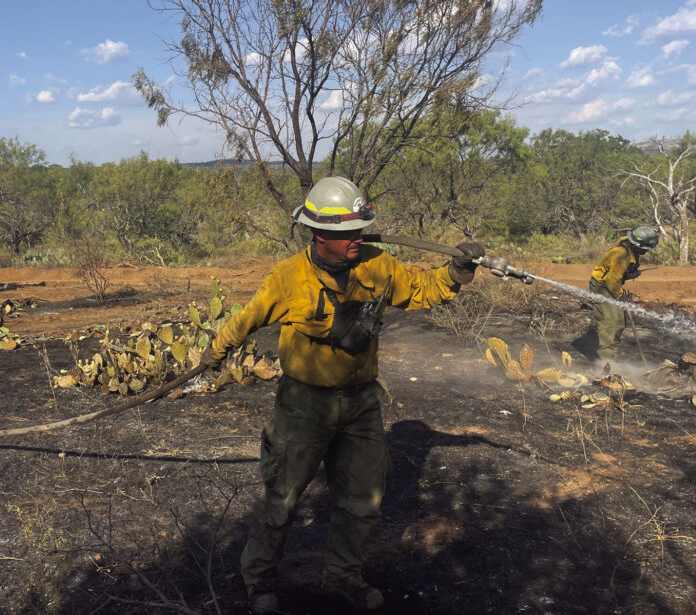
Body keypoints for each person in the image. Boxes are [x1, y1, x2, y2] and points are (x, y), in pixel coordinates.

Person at [200, 176, 484, 614]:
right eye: (346, 233)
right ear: (318, 234)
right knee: (283, 497)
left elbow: (422, 288)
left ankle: (343, 576)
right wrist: (214, 353)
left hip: (361, 403)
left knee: (364, 499)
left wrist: (456, 274)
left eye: (360, 228)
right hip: (303, 405)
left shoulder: (379, 265)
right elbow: (247, 319)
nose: (357, 237)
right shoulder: (288, 277)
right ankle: (259, 582)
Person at [589, 226, 659, 362]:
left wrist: (630, 274)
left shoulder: (631, 250)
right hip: (603, 287)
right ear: (638, 246)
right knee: (609, 323)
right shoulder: (620, 255)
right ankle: (607, 362)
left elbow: (618, 275)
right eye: (645, 248)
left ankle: (613, 356)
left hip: (612, 286)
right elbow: (612, 281)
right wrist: (620, 296)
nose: (646, 251)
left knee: (619, 322)